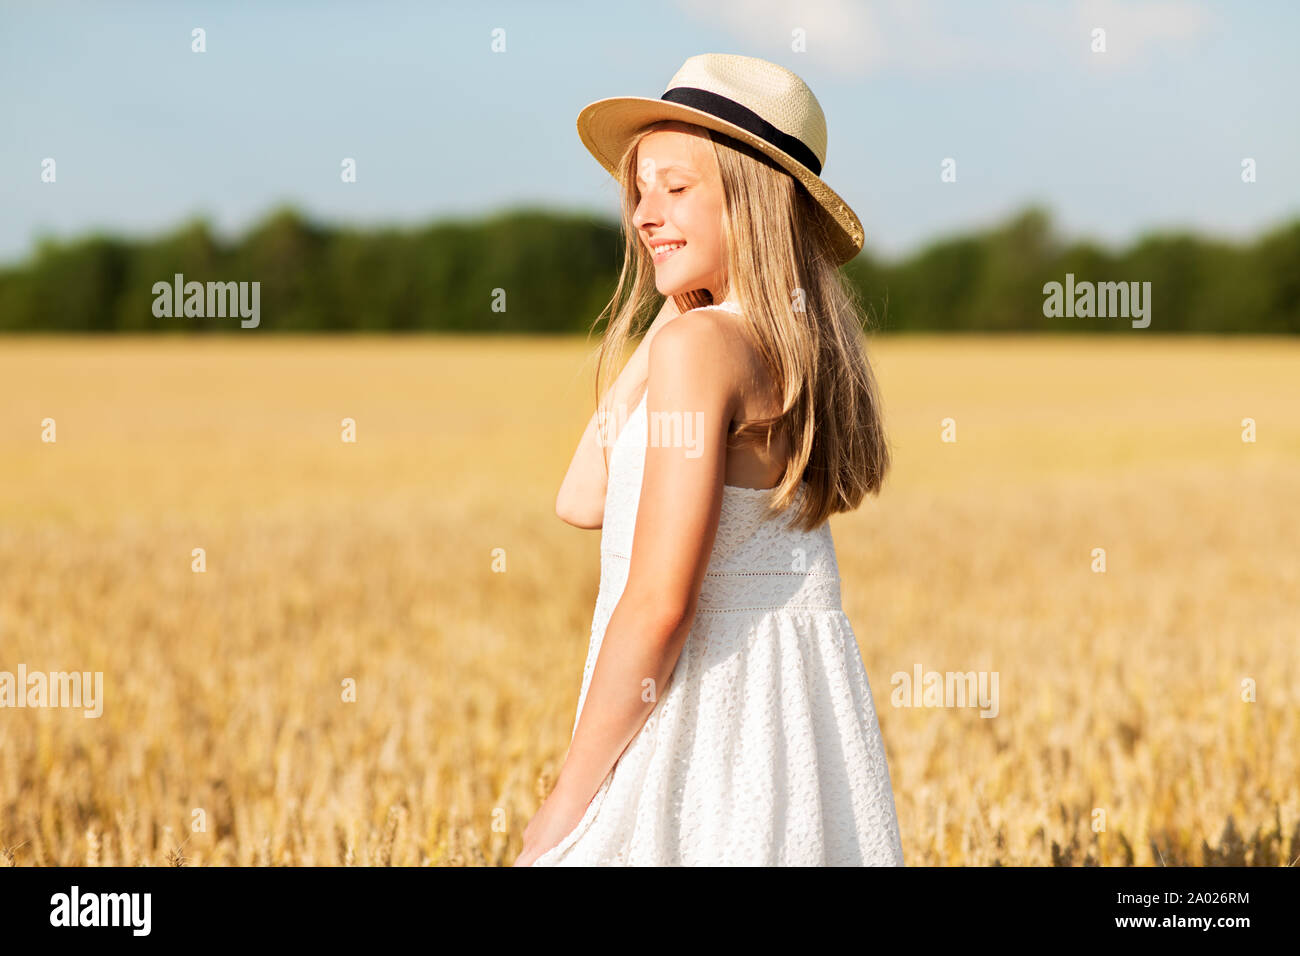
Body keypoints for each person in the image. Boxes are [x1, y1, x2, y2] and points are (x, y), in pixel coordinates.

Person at [514, 53, 903, 866]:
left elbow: (658, 603)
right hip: (784, 724)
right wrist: (669, 315)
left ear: (752, 198)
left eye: (676, 189)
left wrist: (567, 799)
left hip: (699, 727)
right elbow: (583, 498)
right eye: (639, 191)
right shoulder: (767, 347)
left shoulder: (705, 349)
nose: (644, 215)